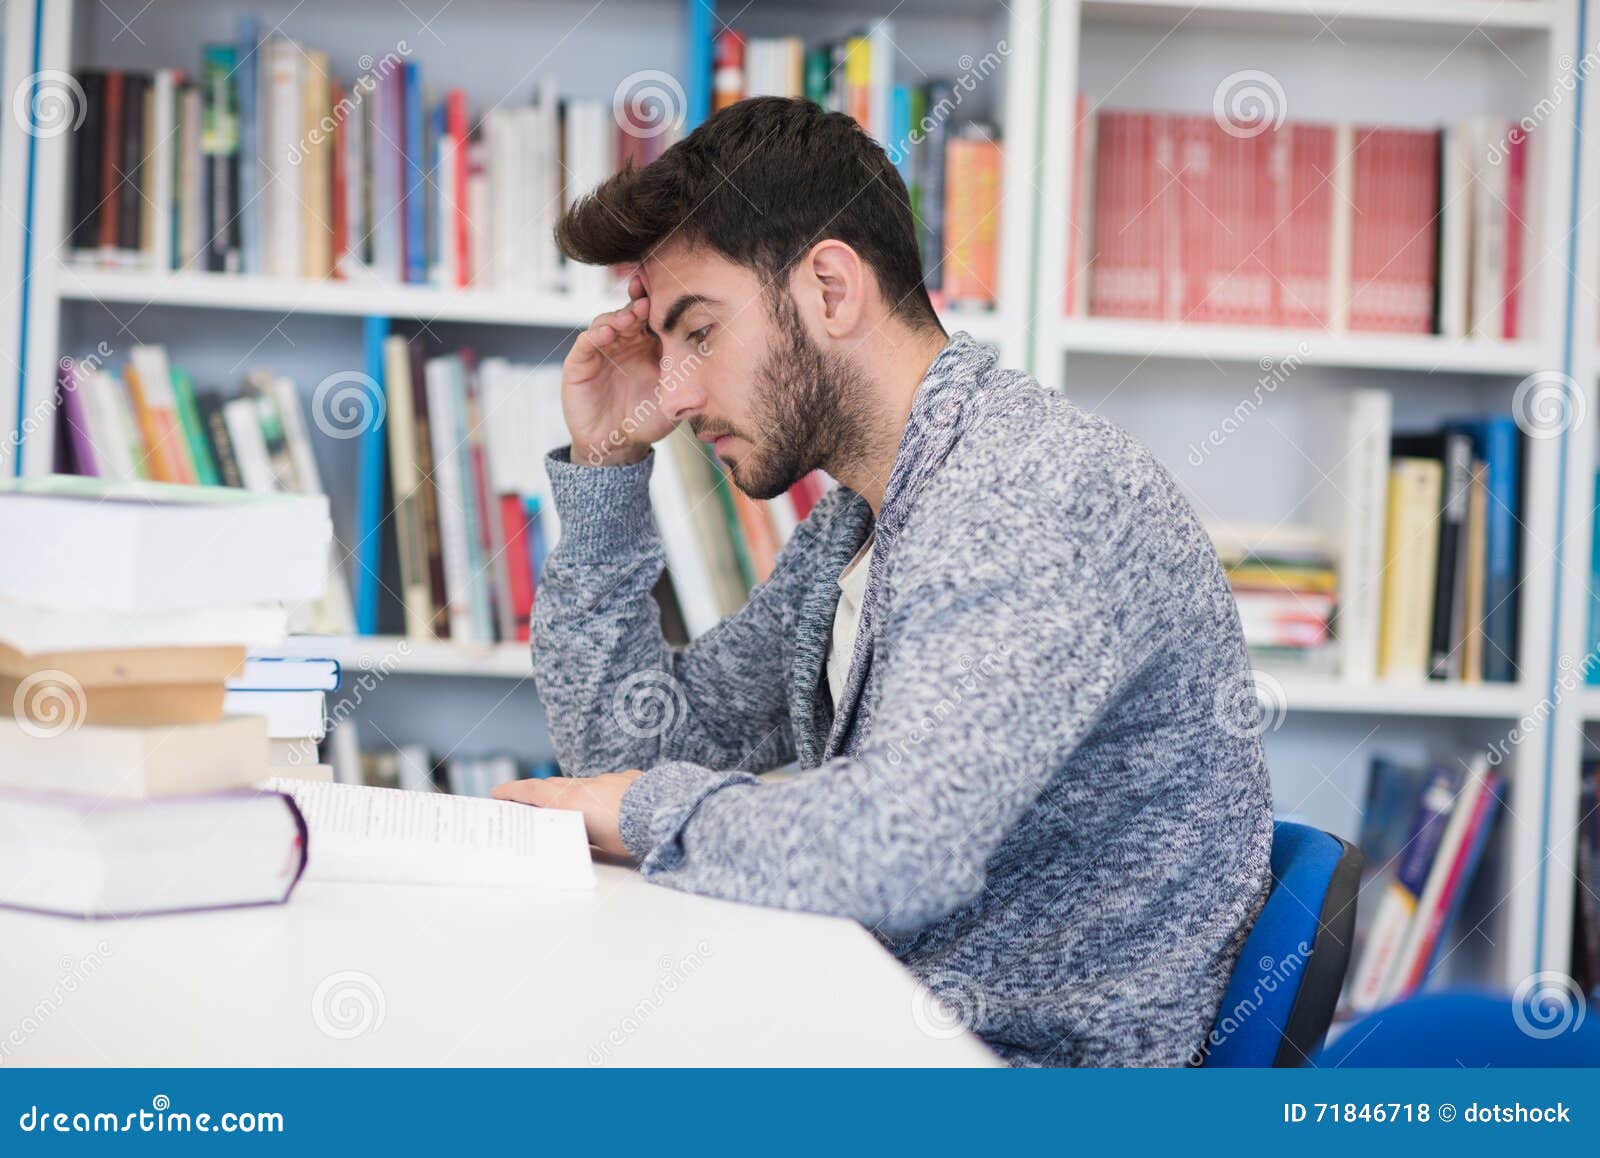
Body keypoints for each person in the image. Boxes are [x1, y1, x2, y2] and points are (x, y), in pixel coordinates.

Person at [492, 96, 1272, 1066]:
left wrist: (646, 809)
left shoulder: (1025, 490)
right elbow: (627, 742)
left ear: (829, 287)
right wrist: (605, 467)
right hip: (890, 1034)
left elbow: (899, 846)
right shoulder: (861, 521)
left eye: (698, 332)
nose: (675, 392)